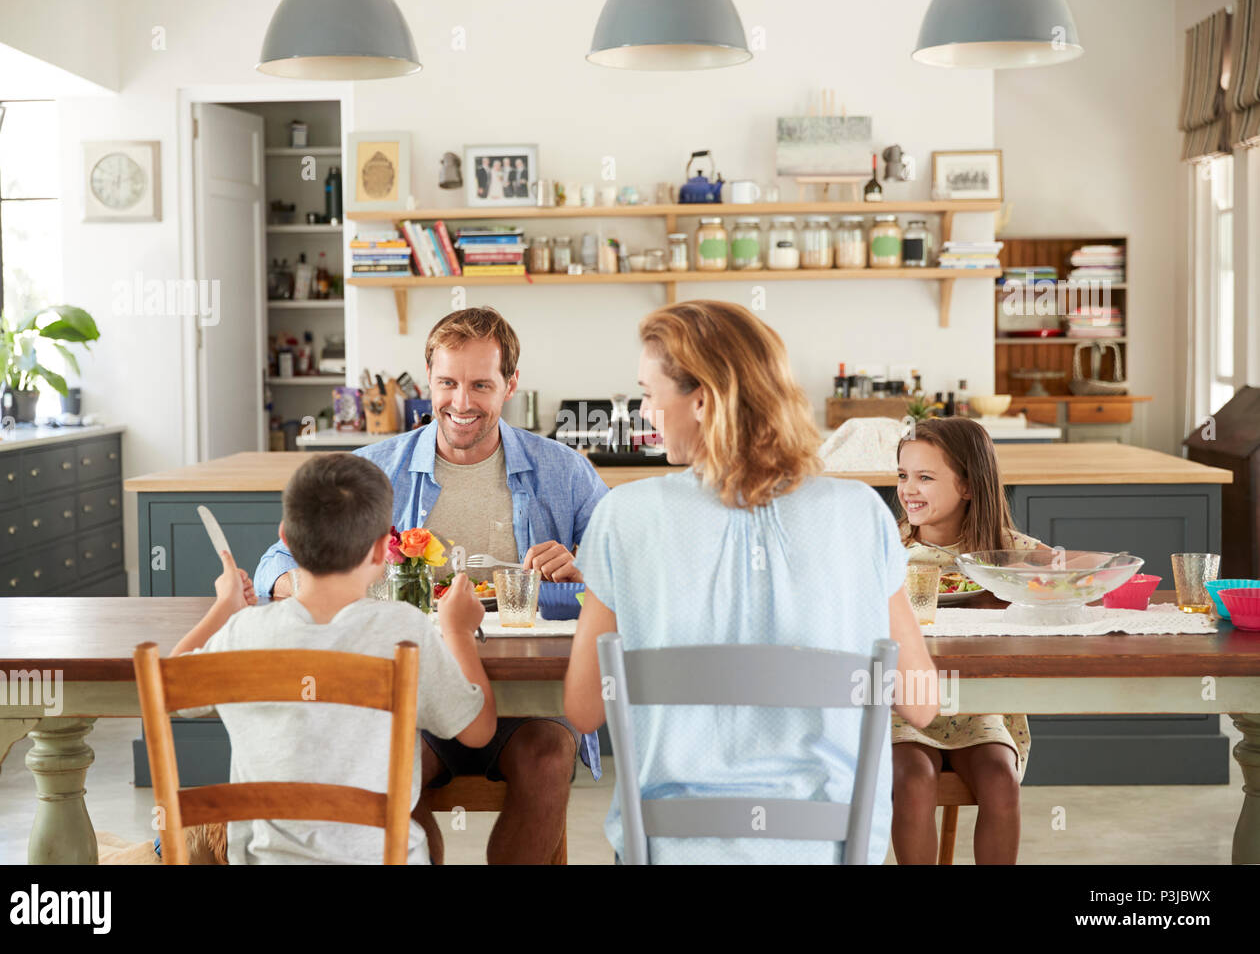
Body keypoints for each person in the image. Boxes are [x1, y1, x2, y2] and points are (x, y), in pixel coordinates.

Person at [563, 300, 939, 864]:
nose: (644, 413)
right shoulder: (860, 512)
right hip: (825, 850)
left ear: (703, 399)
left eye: (648, 394)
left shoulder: (625, 515)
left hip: (674, 850)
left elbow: (585, 708)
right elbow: (921, 703)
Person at [255, 306, 608, 864]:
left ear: (510, 384)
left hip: (527, 702)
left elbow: (623, 566)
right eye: (447, 383)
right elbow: (275, 563)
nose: (461, 403)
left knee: (546, 759)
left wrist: (588, 568)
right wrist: (321, 587)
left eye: (480, 385)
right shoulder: (374, 470)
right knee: (395, 768)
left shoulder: (563, 470)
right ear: (428, 381)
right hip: (413, 694)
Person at [171, 453, 494, 864]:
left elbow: (174, 691)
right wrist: (458, 631)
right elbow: (478, 732)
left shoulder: (244, 631)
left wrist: (225, 607)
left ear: (284, 538)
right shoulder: (405, 630)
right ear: (382, 551)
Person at [890, 417, 1049, 865]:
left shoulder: (1003, 551)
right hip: (903, 710)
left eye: (925, 477)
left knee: (1002, 781)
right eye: (903, 476)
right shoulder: (890, 549)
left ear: (968, 486)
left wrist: (1049, 569)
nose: (909, 489)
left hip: (977, 708)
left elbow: (1064, 570)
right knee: (912, 782)